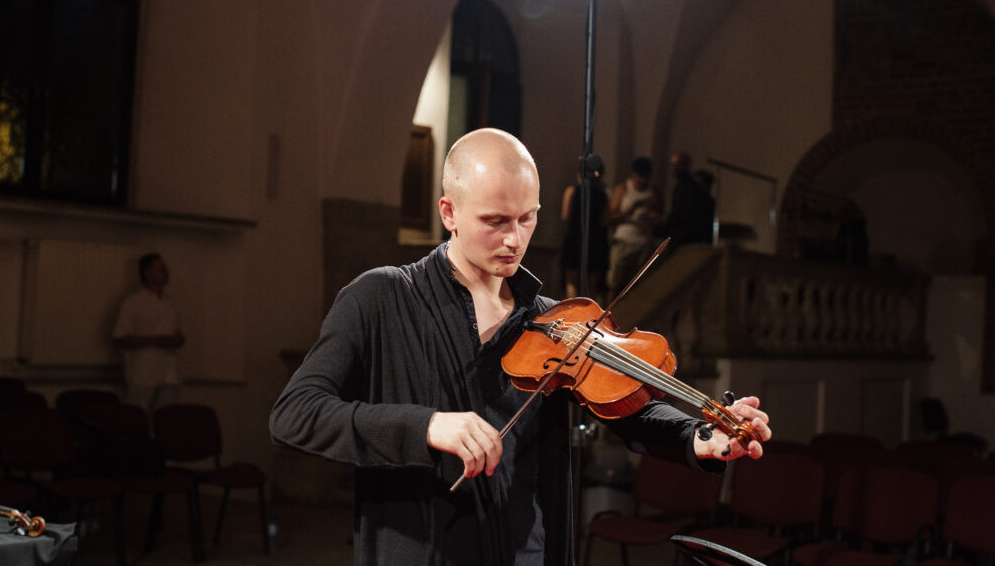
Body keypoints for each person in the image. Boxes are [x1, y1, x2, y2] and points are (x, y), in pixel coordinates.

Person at [269, 129, 771, 565]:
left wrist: (700, 436)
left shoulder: (554, 320)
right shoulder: (379, 298)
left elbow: (632, 411)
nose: (515, 240)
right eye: (495, 221)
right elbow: (296, 414)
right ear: (449, 211)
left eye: (527, 219)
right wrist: (425, 425)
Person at [112, 253, 184, 413]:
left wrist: (177, 340)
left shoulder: (170, 302)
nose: (166, 272)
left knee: (167, 419)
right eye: (160, 268)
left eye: (165, 268)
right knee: (138, 418)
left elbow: (178, 334)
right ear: (147, 273)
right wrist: (154, 340)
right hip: (143, 374)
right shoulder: (133, 302)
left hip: (169, 374)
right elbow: (119, 339)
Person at [606, 157, 661, 297]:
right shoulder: (623, 188)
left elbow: (661, 214)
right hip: (623, 241)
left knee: (640, 284)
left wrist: (655, 217)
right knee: (615, 282)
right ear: (634, 174)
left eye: (646, 178)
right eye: (640, 177)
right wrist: (625, 214)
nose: (642, 182)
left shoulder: (653, 191)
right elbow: (610, 216)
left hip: (644, 242)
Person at [559, 167, 609, 302]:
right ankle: (586, 318)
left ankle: (572, 316)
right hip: (595, 240)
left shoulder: (572, 191)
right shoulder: (602, 195)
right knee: (591, 286)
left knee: (571, 282)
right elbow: (604, 221)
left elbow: (565, 215)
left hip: (575, 237)